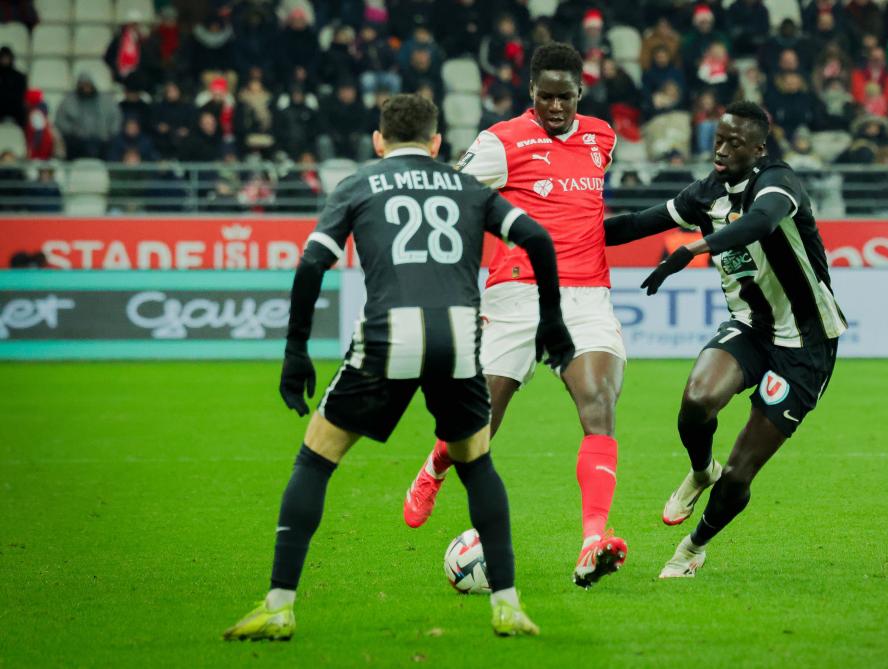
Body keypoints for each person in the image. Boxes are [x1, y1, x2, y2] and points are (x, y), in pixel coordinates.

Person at [222, 93, 573, 641]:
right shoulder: (467, 187)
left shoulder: (360, 183)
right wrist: (552, 321)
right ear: (437, 143)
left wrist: (296, 351)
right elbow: (536, 237)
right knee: (477, 465)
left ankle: (279, 605)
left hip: (389, 336)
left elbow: (314, 261)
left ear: (378, 140)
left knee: (315, 461)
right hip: (460, 338)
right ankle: (507, 605)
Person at [400, 43, 629, 589]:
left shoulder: (602, 137)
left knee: (598, 402)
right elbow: (452, 202)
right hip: (516, 295)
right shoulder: (499, 143)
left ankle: (592, 539)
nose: (555, 107)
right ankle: (435, 467)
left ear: (580, 93)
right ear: (531, 93)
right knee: (478, 424)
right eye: (545, 96)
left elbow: (590, 215)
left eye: (565, 97)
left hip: (585, 296)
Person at [601, 101, 846, 578]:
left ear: (758, 149)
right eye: (718, 136)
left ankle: (691, 549)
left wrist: (692, 247)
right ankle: (698, 471)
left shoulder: (778, 182)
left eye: (734, 142)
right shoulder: (706, 193)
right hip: (753, 326)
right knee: (696, 400)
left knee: (740, 472)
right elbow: (636, 223)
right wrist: (561, 233)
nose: (721, 147)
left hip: (807, 343)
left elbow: (759, 222)